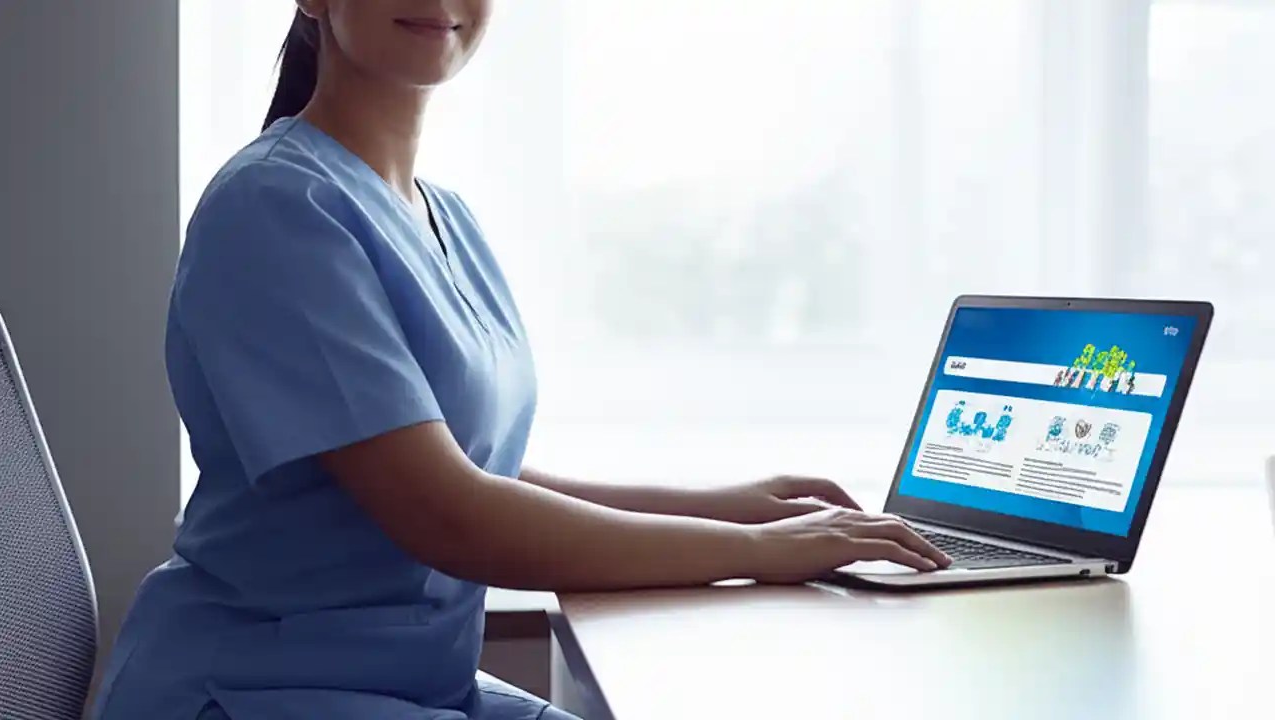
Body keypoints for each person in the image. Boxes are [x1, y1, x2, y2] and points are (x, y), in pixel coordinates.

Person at [92, 2, 950, 718]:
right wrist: (758, 551)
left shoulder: (443, 214)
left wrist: (735, 511)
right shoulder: (277, 209)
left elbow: (472, 471)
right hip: (256, 690)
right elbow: (452, 516)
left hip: (401, 685)